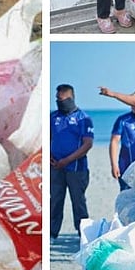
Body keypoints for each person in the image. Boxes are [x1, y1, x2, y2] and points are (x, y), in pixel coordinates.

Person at [50, 84, 94, 239]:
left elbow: (87, 144)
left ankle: (82, 234)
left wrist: (67, 160)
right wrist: (50, 157)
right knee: (55, 200)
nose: (58, 101)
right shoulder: (53, 117)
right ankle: (52, 233)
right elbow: (48, 138)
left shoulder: (83, 118)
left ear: (69, 98)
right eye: (56, 98)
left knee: (78, 201)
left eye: (60, 98)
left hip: (76, 168)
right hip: (55, 167)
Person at [109, 89, 135, 190]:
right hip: (126, 167)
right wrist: (114, 165)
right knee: (127, 199)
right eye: (131, 102)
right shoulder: (123, 120)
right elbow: (114, 141)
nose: (133, 104)